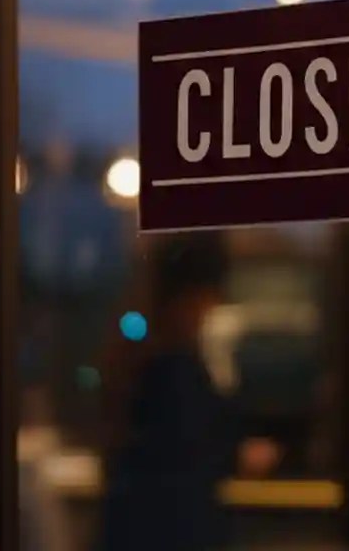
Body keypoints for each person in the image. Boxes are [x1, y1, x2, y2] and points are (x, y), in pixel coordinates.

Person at [96, 233, 275, 551]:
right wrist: (236, 455)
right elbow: (184, 451)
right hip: (170, 528)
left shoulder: (138, 352)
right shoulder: (170, 365)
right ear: (190, 296)